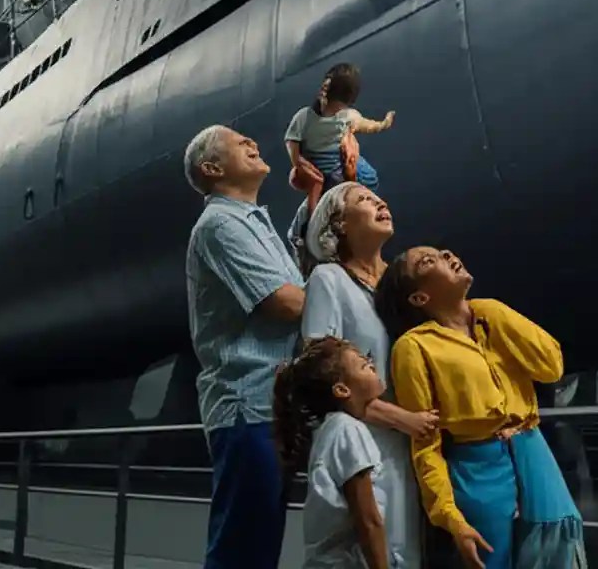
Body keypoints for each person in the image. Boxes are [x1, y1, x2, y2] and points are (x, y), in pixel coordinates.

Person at [375, 247, 587, 569]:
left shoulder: (491, 318)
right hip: (477, 468)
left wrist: (494, 312)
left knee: (557, 548)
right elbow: (425, 441)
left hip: (532, 447)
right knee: (492, 562)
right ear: (419, 298)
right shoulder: (413, 347)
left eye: (440, 252)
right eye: (428, 261)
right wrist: (449, 516)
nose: (446, 254)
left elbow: (551, 366)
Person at [183, 124, 306, 569]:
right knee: (242, 552)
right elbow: (286, 303)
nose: (253, 142)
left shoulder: (256, 222)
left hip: (269, 407)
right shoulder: (219, 224)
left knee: (257, 546)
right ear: (212, 168)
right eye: (240, 143)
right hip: (246, 407)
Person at [301, 182, 438, 568]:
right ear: (339, 224)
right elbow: (322, 375)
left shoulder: (399, 284)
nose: (380, 201)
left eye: (378, 196)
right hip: (365, 448)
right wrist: (403, 419)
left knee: (410, 554)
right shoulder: (328, 280)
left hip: (412, 445)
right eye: (364, 199)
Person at [274, 336, 394, 569]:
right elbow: (368, 520)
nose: (372, 365)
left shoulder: (332, 429)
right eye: (363, 364)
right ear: (342, 389)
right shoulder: (348, 430)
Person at [284, 63, 395, 219]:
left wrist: (383, 124)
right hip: (321, 163)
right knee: (325, 185)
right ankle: (313, 220)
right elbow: (291, 140)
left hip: (337, 159)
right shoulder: (305, 117)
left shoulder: (347, 116)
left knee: (368, 177)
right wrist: (298, 162)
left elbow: (368, 125)